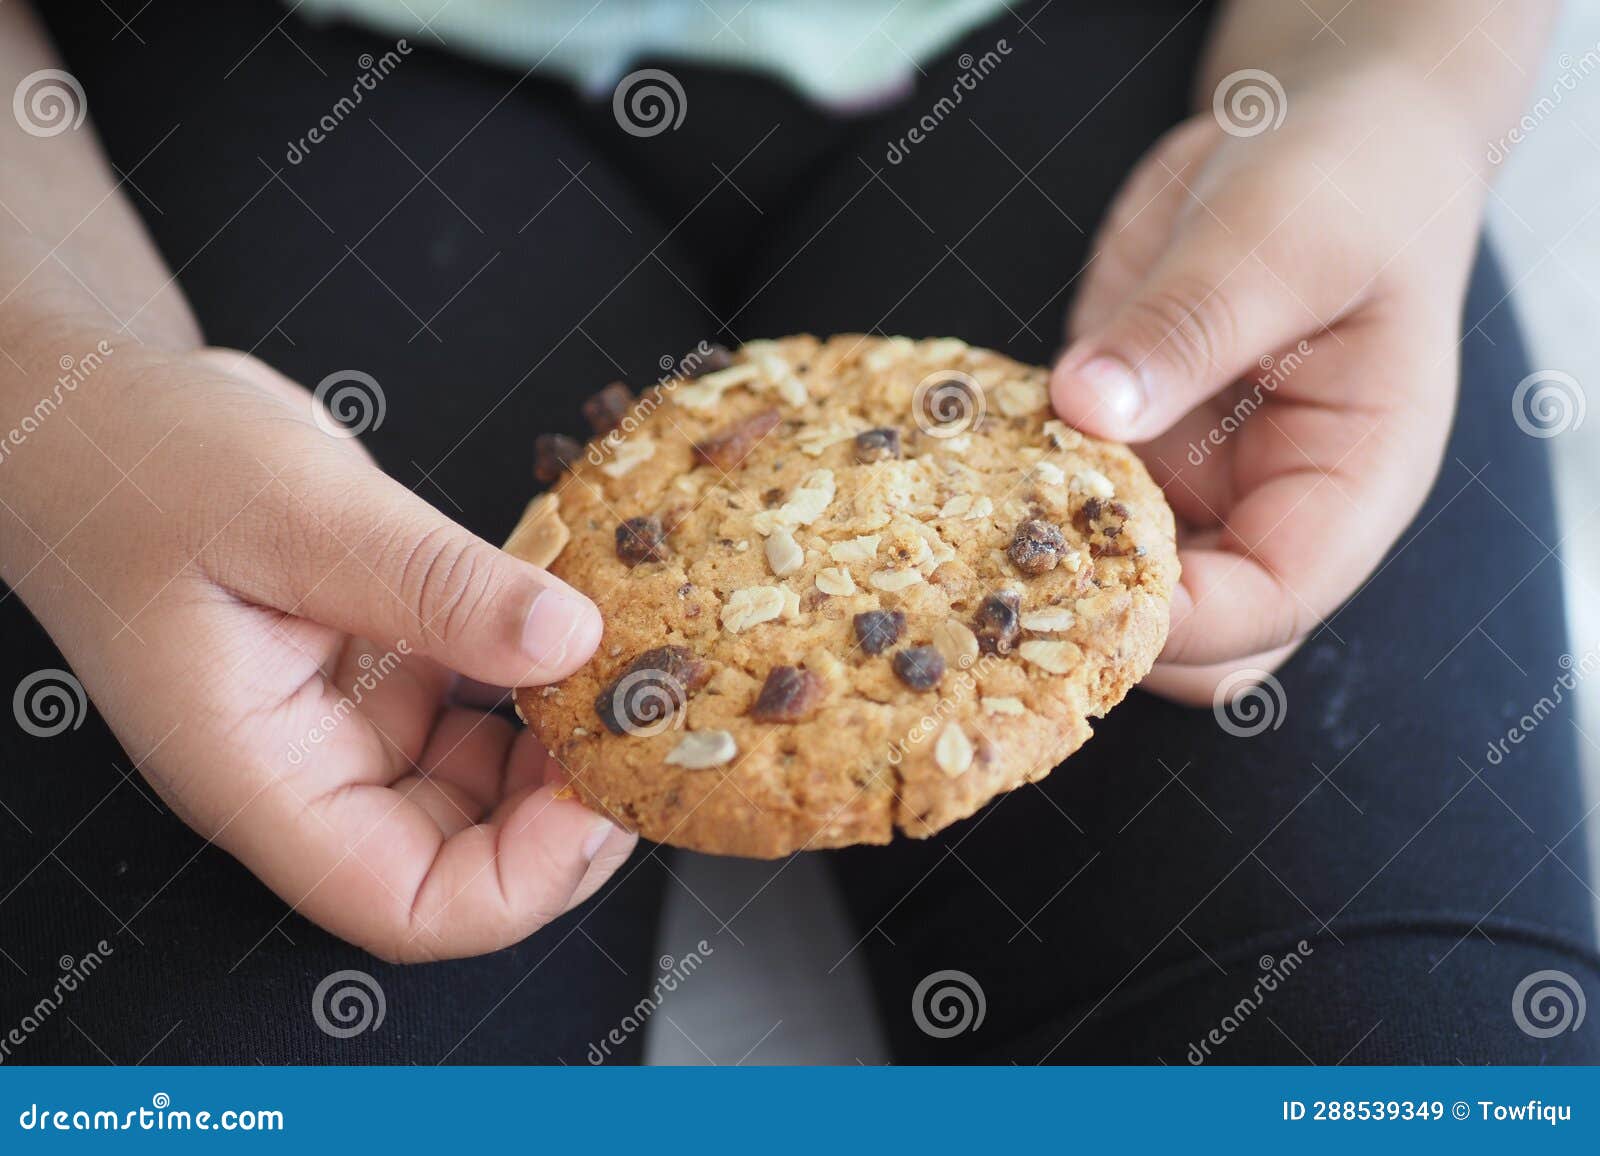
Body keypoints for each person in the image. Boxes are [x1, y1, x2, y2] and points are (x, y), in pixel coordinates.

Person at [1, 0, 1594, 1064]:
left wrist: (1391, 86)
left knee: (1403, 1046)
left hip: (1130, 62)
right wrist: (49, 382)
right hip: (249, 80)